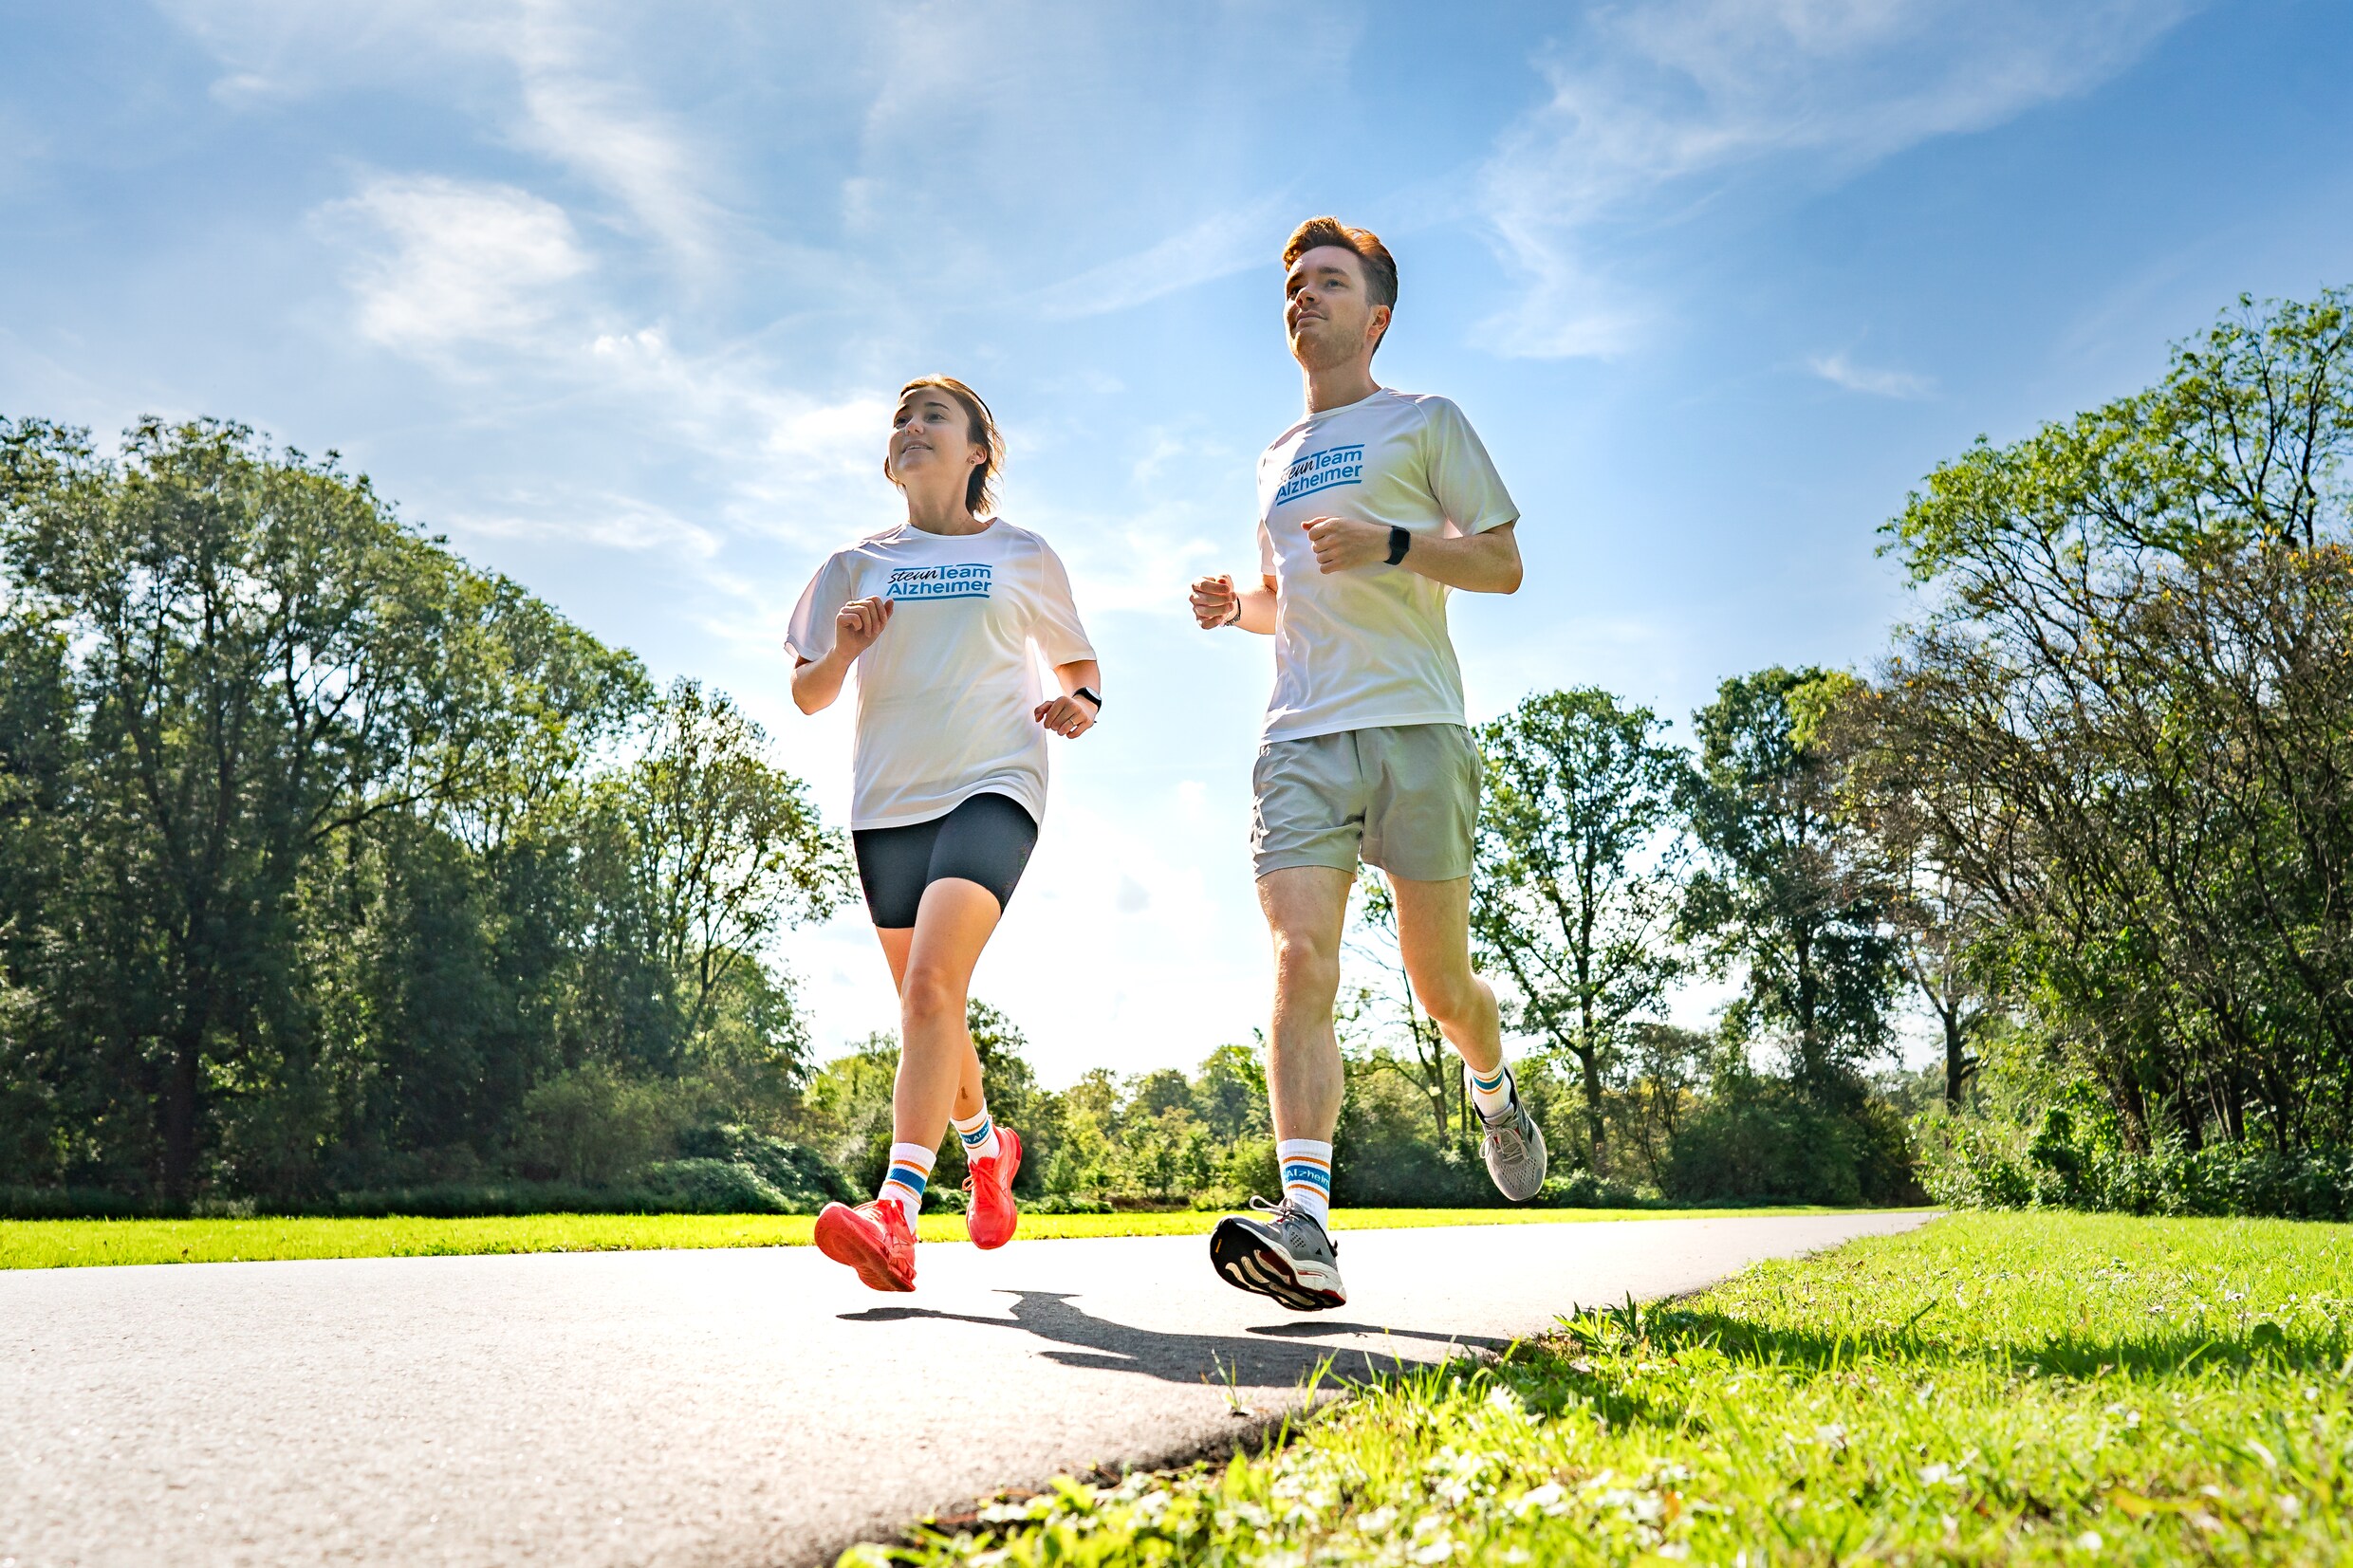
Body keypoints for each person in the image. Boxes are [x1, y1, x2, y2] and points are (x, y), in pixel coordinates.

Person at [1187, 217, 1544, 1312]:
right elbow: (1290, 597)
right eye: (1293, 284)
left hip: (1417, 727)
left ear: (1375, 316)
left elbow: (1502, 564)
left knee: (1441, 987)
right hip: (1298, 736)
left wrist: (1392, 543)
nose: (1303, 296)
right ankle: (1306, 1222)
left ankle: (1492, 1088)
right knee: (1300, 959)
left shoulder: (1424, 421)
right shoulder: (1272, 461)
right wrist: (1237, 607)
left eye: (1328, 283)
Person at [789, 376, 1101, 1293]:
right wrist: (844, 649)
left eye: (934, 416)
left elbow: (1079, 666)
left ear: (976, 453)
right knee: (933, 1004)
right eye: (901, 419)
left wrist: (1080, 702)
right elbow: (808, 694)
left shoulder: (1022, 553)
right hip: (887, 805)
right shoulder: (852, 564)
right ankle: (985, 1146)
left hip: (995, 783)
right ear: (890, 460)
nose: (912, 427)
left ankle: (895, 1214)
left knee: (930, 984)